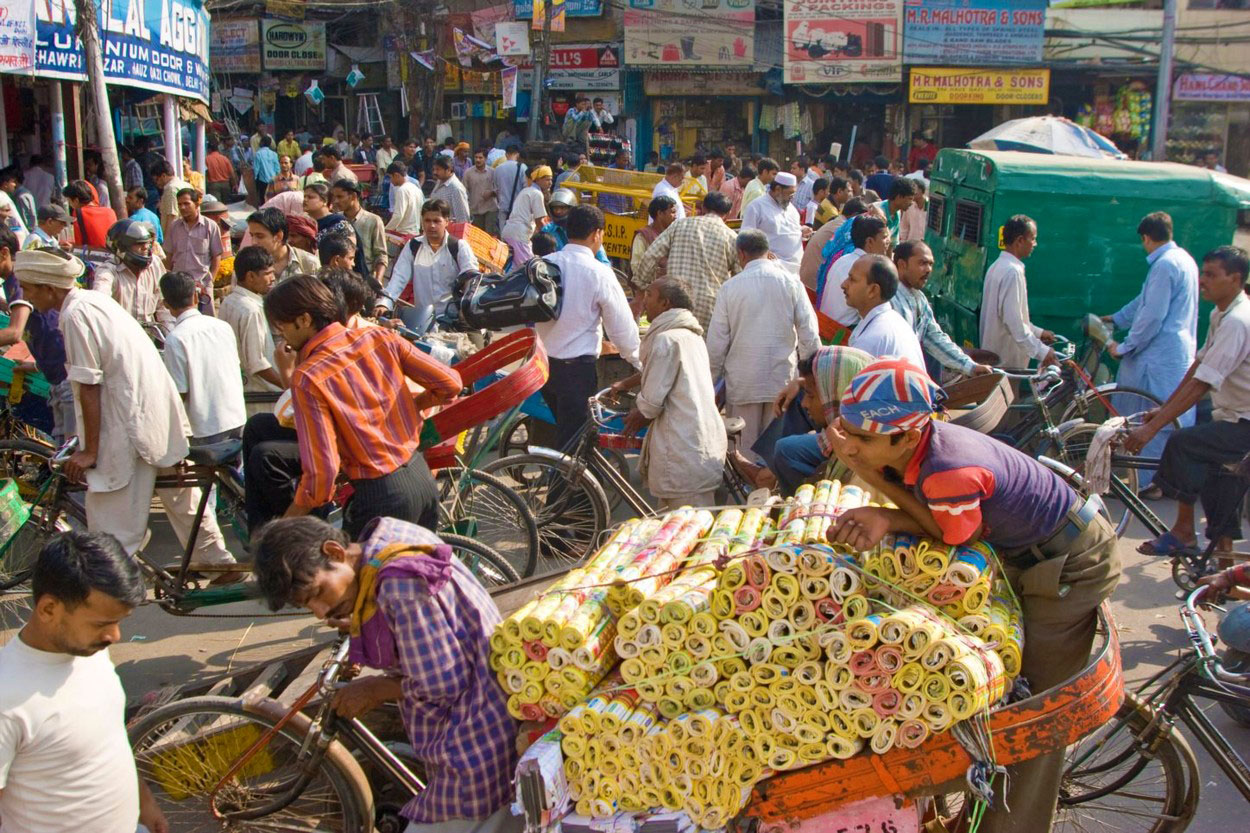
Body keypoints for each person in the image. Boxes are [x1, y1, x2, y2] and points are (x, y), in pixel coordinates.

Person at [823, 356, 1119, 833]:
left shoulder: (948, 471)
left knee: (1030, 717)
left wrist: (878, 489)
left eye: (863, 440)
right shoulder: (924, 450)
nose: (851, 449)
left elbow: (952, 536)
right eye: (849, 435)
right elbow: (947, 526)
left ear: (906, 435)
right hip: (1033, 555)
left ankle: (1012, 825)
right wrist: (881, 495)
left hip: (1071, 565)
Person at [251, 515, 520, 833]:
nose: (321, 613)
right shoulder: (385, 536)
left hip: (476, 733)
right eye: (308, 606)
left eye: (319, 592)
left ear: (335, 552)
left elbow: (443, 683)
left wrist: (375, 689)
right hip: (494, 699)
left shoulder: (398, 585)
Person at [17, 248, 237, 571]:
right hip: (154, 413)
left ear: (49, 288)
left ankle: (114, 592)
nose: (25, 295)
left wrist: (90, 450)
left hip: (130, 422)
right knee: (182, 495)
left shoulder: (76, 315)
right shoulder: (94, 302)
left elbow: (88, 386)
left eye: (28, 288)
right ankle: (216, 560)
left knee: (110, 527)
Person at [262, 275, 462, 536]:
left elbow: (321, 477)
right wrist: (412, 406)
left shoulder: (308, 377)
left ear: (304, 320)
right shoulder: (379, 337)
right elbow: (451, 383)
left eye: (282, 328)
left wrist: (283, 526)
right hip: (421, 478)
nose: (283, 338)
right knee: (415, 574)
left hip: (381, 498)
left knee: (357, 576)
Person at [0, 531, 170, 833]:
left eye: (118, 622)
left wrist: (144, 804)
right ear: (49, 609)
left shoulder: (88, 652)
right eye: (102, 624)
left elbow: (108, 739)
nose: (115, 636)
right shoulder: (7, 695)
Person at [1124, 246, 1250, 558]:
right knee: (1216, 477)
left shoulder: (1238, 320)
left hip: (1244, 421)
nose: (1202, 280)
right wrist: (1164, 407)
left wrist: (1152, 429)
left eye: (1211, 274)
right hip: (1232, 414)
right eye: (1202, 273)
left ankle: (1182, 532)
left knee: (1182, 444)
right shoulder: (1221, 313)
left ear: (1235, 279)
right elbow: (1198, 366)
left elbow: (1203, 383)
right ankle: (1223, 556)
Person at [1102, 211, 1199, 491]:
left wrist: (1123, 346)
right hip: (1174, 355)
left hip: (1157, 357)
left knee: (1149, 417)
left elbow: (1152, 315)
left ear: (1146, 238)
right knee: (1165, 417)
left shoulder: (1165, 265)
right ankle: (1157, 480)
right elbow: (1143, 301)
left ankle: (1145, 483)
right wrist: (1116, 318)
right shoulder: (1183, 260)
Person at [612, 278, 726, 509]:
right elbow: (659, 373)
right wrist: (625, 384)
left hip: (683, 449)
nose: (644, 301)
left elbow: (651, 402)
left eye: (650, 295)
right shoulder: (690, 336)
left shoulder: (666, 340)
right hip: (700, 442)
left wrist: (636, 415)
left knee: (685, 529)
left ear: (665, 303)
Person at [538, 205, 640, 449]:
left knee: (564, 435)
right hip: (575, 371)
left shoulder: (544, 264)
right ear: (597, 234)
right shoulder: (599, 272)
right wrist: (641, 363)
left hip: (542, 366)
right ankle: (565, 487)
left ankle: (566, 481)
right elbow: (622, 331)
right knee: (575, 445)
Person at [707, 229, 820, 449]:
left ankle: (744, 483)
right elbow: (809, 333)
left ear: (741, 254)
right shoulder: (791, 283)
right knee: (774, 448)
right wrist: (809, 378)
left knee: (742, 446)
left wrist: (710, 382)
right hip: (781, 381)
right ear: (768, 252)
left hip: (743, 382)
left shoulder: (730, 288)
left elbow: (716, 344)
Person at [159, 270, 247, 448]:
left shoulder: (175, 339)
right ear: (196, 297)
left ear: (166, 304)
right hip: (237, 417)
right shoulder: (222, 327)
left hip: (206, 429)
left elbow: (179, 392)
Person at [633, 192, 739, 331]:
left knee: (668, 343)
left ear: (704, 208)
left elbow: (651, 255)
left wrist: (642, 285)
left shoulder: (680, 225)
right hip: (709, 306)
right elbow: (740, 278)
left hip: (673, 301)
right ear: (728, 213)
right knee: (699, 349)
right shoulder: (732, 238)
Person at [378, 199, 479, 334]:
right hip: (422, 321)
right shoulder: (413, 246)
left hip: (454, 321)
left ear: (447, 222)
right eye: (427, 220)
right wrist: (384, 303)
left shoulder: (459, 247)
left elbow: (472, 280)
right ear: (422, 221)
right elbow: (398, 278)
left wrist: (466, 308)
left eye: (437, 221)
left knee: (473, 352)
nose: (431, 225)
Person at [891, 241, 990, 377]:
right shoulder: (890, 299)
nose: (928, 269)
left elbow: (934, 337)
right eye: (922, 263)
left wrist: (970, 366)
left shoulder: (919, 298)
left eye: (930, 264)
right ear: (902, 265)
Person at [979, 214, 1056, 369]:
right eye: (1032, 239)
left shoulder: (997, 266)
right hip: (1006, 362)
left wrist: (1039, 332)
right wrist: (1042, 351)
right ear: (1020, 240)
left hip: (995, 356)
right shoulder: (1012, 272)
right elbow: (1014, 323)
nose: (1035, 244)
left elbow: (1014, 317)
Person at [218, 245, 284, 412]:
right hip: (260, 395)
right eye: (267, 274)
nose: (272, 278)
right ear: (250, 276)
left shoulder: (229, 301)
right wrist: (287, 385)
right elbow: (257, 363)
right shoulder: (251, 310)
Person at [842, 254, 927, 372]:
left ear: (873, 290)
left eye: (852, 279)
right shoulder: (890, 321)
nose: (843, 284)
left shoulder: (872, 339)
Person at [163, 188, 223, 315]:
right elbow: (169, 255)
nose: (182, 207)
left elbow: (217, 255)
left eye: (186, 203)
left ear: (196, 204)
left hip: (202, 284)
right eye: (179, 204)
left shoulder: (210, 226)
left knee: (207, 322)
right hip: (179, 286)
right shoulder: (174, 227)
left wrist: (210, 279)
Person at [95, 219, 165, 324]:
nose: (145, 247)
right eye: (139, 243)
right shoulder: (108, 271)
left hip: (150, 333)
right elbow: (101, 298)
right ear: (122, 247)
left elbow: (164, 303)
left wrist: (170, 333)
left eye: (147, 243)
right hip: (121, 334)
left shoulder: (155, 264)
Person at [741, 171, 808, 274]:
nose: (793, 197)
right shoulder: (756, 207)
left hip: (794, 271)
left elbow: (785, 231)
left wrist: (801, 231)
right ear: (778, 189)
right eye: (790, 193)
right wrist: (764, 254)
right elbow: (745, 237)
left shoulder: (792, 209)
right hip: (770, 270)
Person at [332, 179, 388, 286]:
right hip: (340, 280)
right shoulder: (336, 220)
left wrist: (378, 280)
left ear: (353, 196)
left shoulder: (373, 221)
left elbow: (381, 255)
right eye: (334, 197)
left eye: (340, 197)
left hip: (364, 280)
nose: (335, 201)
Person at [246, 206, 320, 281]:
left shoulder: (309, 263)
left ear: (278, 236)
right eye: (252, 235)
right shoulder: (248, 266)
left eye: (260, 236)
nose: (253, 242)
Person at [501, 165, 552, 264]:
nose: (550, 183)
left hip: (510, 232)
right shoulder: (537, 193)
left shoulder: (526, 190)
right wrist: (551, 235)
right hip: (520, 235)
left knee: (514, 267)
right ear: (537, 180)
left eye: (551, 180)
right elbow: (539, 221)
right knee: (526, 268)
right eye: (547, 180)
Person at [630, 195, 678, 282]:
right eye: (672, 212)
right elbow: (636, 268)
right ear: (660, 213)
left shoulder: (674, 234)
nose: (675, 217)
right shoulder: (643, 236)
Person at [62, 180, 117, 249]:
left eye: (69, 201)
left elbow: (79, 244)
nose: (70, 205)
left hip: (93, 256)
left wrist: (72, 247)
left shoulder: (79, 212)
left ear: (76, 200)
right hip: (111, 255)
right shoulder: (110, 211)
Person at [385, 161, 425, 237]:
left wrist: (385, 230)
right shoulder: (416, 189)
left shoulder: (402, 190)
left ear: (396, 175)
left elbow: (398, 215)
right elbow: (422, 212)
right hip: (416, 233)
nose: (390, 181)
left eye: (390, 177)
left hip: (403, 234)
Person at [464, 149, 498, 235]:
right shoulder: (468, 173)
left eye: (480, 157)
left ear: (486, 159)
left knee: (489, 236)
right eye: (476, 157)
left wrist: (491, 193)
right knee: (477, 237)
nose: (478, 160)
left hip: (490, 209)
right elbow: (464, 190)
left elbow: (499, 190)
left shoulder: (493, 172)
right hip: (475, 210)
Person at [493, 144, 527, 230]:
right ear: (518, 154)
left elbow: (496, 189)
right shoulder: (523, 168)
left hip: (503, 208)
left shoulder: (498, 169)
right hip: (518, 209)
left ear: (506, 154)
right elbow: (526, 188)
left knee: (504, 238)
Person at [428, 156, 471, 224]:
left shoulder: (456, 188)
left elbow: (463, 218)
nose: (434, 172)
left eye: (438, 169)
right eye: (434, 169)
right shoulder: (439, 181)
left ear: (448, 170)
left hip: (450, 232)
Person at [877, 177, 918, 242]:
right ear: (899, 197)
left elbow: (892, 244)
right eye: (910, 199)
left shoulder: (897, 214)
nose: (911, 203)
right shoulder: (877, 212)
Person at [251, 136, 281, 206]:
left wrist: (254, 180)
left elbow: (256, 169)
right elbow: (277, 168)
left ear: (262, 143)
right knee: (273, 198)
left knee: (263, 198)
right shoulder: (274, 154)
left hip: (262, 181)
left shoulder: (258, 154)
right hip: (273, 179)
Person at [897, 178, 927, 243]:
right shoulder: (908, 207)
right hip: (912, 245)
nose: (913, 192)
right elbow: (904, 227)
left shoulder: (932, 206)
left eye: (915, 189)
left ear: (921, 190)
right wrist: (903, 243)